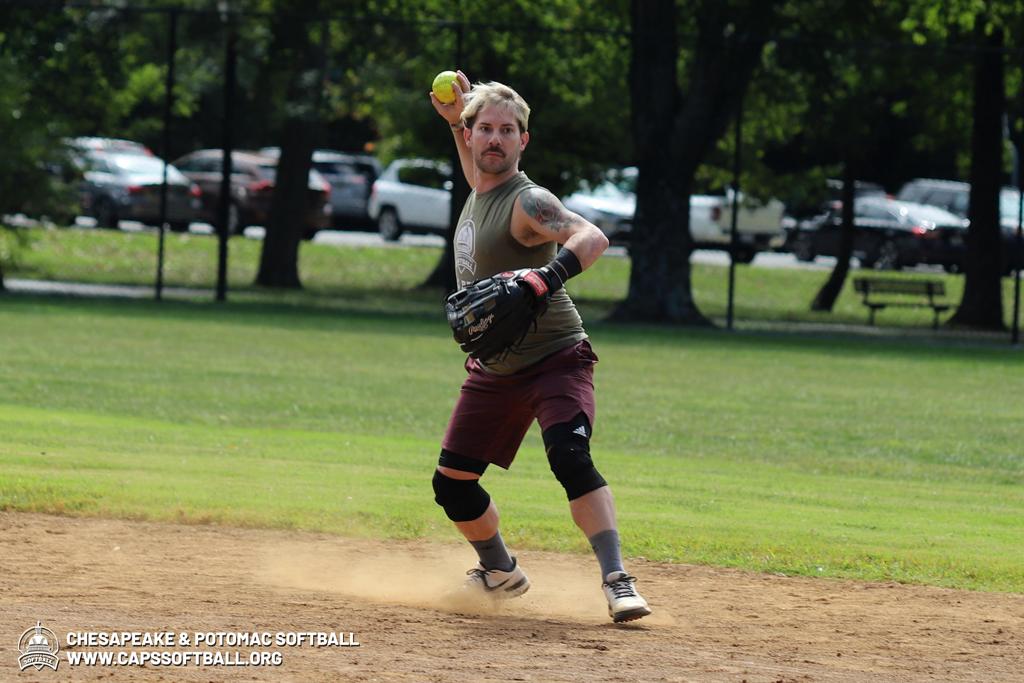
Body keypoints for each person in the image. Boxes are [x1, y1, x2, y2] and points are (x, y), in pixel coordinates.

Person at [428, 71, 651, 624]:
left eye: (508, 130)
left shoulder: (527, 200)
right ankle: (500, 571)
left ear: (524, 140)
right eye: (484, 129)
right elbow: (471, 141)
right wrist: (458, 115)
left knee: (569, 456)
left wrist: (544, 278)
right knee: (452, 485)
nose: (494, 139)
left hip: (556, 357)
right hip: (496, 367)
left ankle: (618, 580)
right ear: (471, 134)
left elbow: (592, 238)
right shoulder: (480, 184)